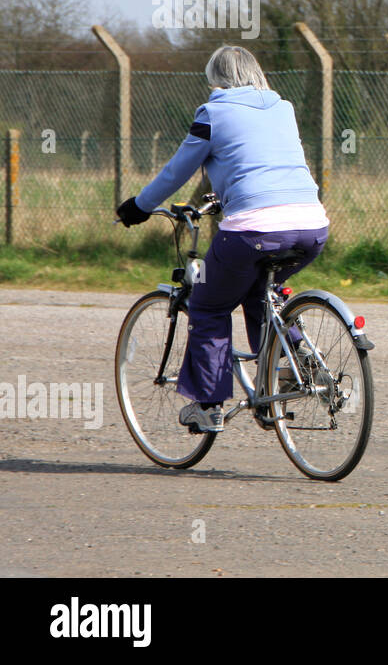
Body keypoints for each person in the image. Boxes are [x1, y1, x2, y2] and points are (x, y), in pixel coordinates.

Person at [116, 45, 329, 433]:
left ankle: (209, 405)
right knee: (257, 295)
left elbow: (176, 171)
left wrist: (140, 206)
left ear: (217, 80)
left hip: (253, 231)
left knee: (209, 304)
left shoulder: (212, 113)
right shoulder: (283, 108)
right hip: (312, 225)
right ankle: (292, 358)